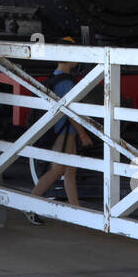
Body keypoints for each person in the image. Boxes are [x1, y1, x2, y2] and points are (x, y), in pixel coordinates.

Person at [25, 56, 90, 225]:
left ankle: (76, 211)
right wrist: (82, 133)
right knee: (59, 169)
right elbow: (71, 113)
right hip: (65, 133)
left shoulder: (53, 77)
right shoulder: (67, 82)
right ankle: (31, 203)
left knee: (69, 171)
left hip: (58, 131)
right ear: (70, 60)